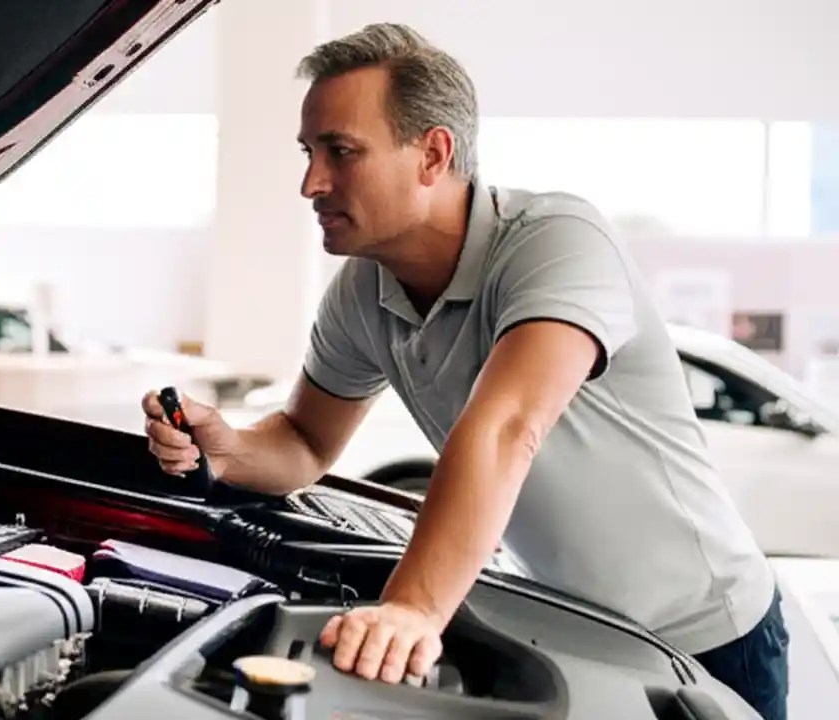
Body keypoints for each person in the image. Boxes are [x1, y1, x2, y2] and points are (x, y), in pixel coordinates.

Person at [140, 22, 789, 720]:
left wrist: (414, 610)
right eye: (308, 151)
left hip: (711, 638)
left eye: (341, 152)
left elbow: (510, 426)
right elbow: (304, 442)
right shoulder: (364, 291)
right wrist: (229, 447)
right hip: (582, 632)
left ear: (433, 153)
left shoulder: (557, 241)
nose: (311, 183)